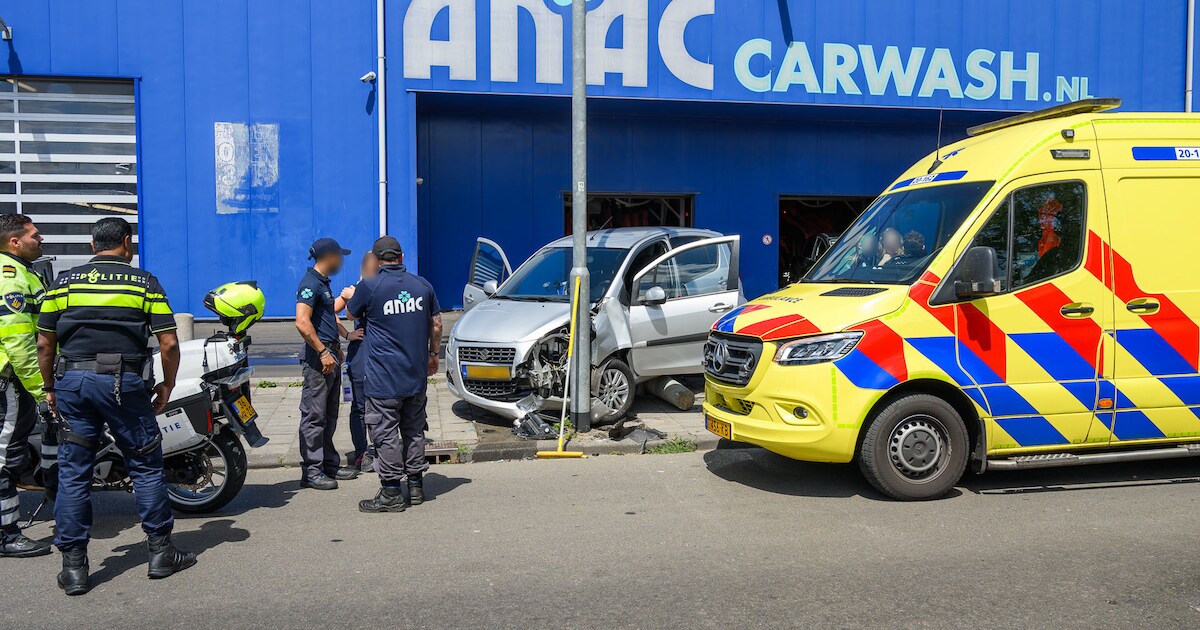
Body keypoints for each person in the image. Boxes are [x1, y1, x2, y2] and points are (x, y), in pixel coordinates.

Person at [36, 217, 194, 596]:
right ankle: (160, 553)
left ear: (93, 246)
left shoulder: (64, 283)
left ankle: (74, 568)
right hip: (124, 385)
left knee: (74, 474)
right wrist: (168, 384)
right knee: (145, 465)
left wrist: (49, 387)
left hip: (73, 384)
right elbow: (169, 343)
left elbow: (44, 343)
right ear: (127, 243)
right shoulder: (144, 284)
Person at [347, 236, 442, 513]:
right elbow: (436, 325)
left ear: (376, 261)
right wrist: (433, 355)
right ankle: (415, 486)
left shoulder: (370, 286)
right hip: (415, 376)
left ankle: (390, 493)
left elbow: (352, 315)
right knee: (413, 430)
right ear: (401, 258)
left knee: (385, 432)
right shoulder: (423, 285)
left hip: (383, 378)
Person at [0, 215, 52, 559]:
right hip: (11, 380)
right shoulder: (10, 277)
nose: (41, 238)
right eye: (34, 235)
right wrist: (40, 388)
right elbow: (19, 341)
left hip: (16, 379)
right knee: (3, 456)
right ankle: (5, 535)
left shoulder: (22, 270)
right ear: (15, 241)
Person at [294, 237, 359, 490]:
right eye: (339, 256)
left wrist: (342, 340)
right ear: (328, 256)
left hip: (330, 355)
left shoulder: (323, 284)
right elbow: (302, 321)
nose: (342, 260)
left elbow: (329, 318)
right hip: (317, 359)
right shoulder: (310, 284)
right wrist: (322, 352)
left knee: (329, 414)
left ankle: (328, 464)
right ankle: (311, 471)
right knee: (314, 416)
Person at [335, 251, 379, 472]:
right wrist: (346, 334)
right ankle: (363, 453)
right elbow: (326, 312)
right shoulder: (355, 290)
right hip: (362, 355)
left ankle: (378, 451)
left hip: (378, 355)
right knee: (360, 407)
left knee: (379, 406)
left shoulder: (380, 288)